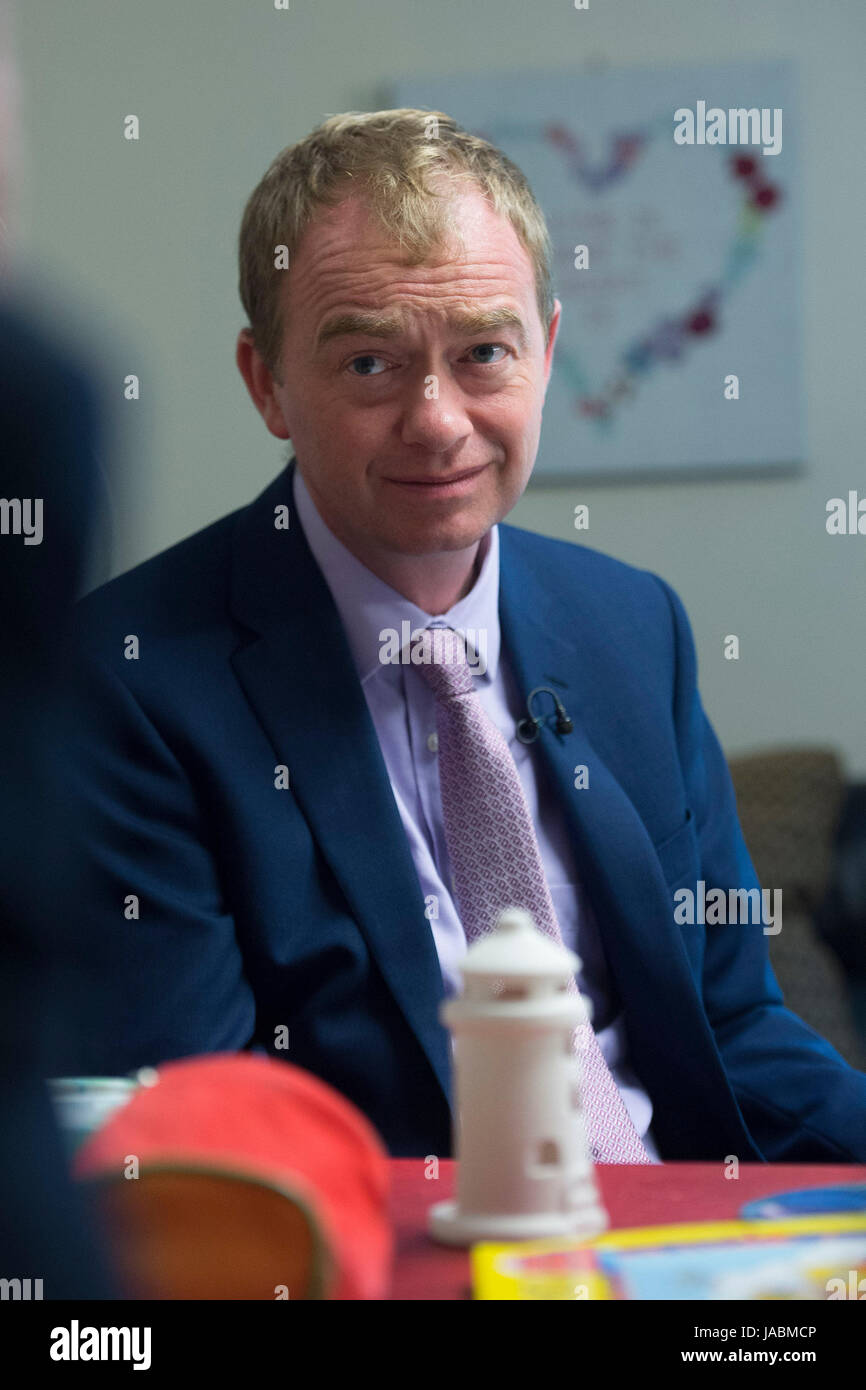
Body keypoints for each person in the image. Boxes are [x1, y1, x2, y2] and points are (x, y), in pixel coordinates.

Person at [67, 109, 866, 1161]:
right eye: (367, 364)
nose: (437, 419)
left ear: (545, 352)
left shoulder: (633, 626)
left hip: (682, 1247)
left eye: (483, 351)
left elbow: (734, 1030)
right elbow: (210, 1132)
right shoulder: (124, 682)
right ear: (267, 383)